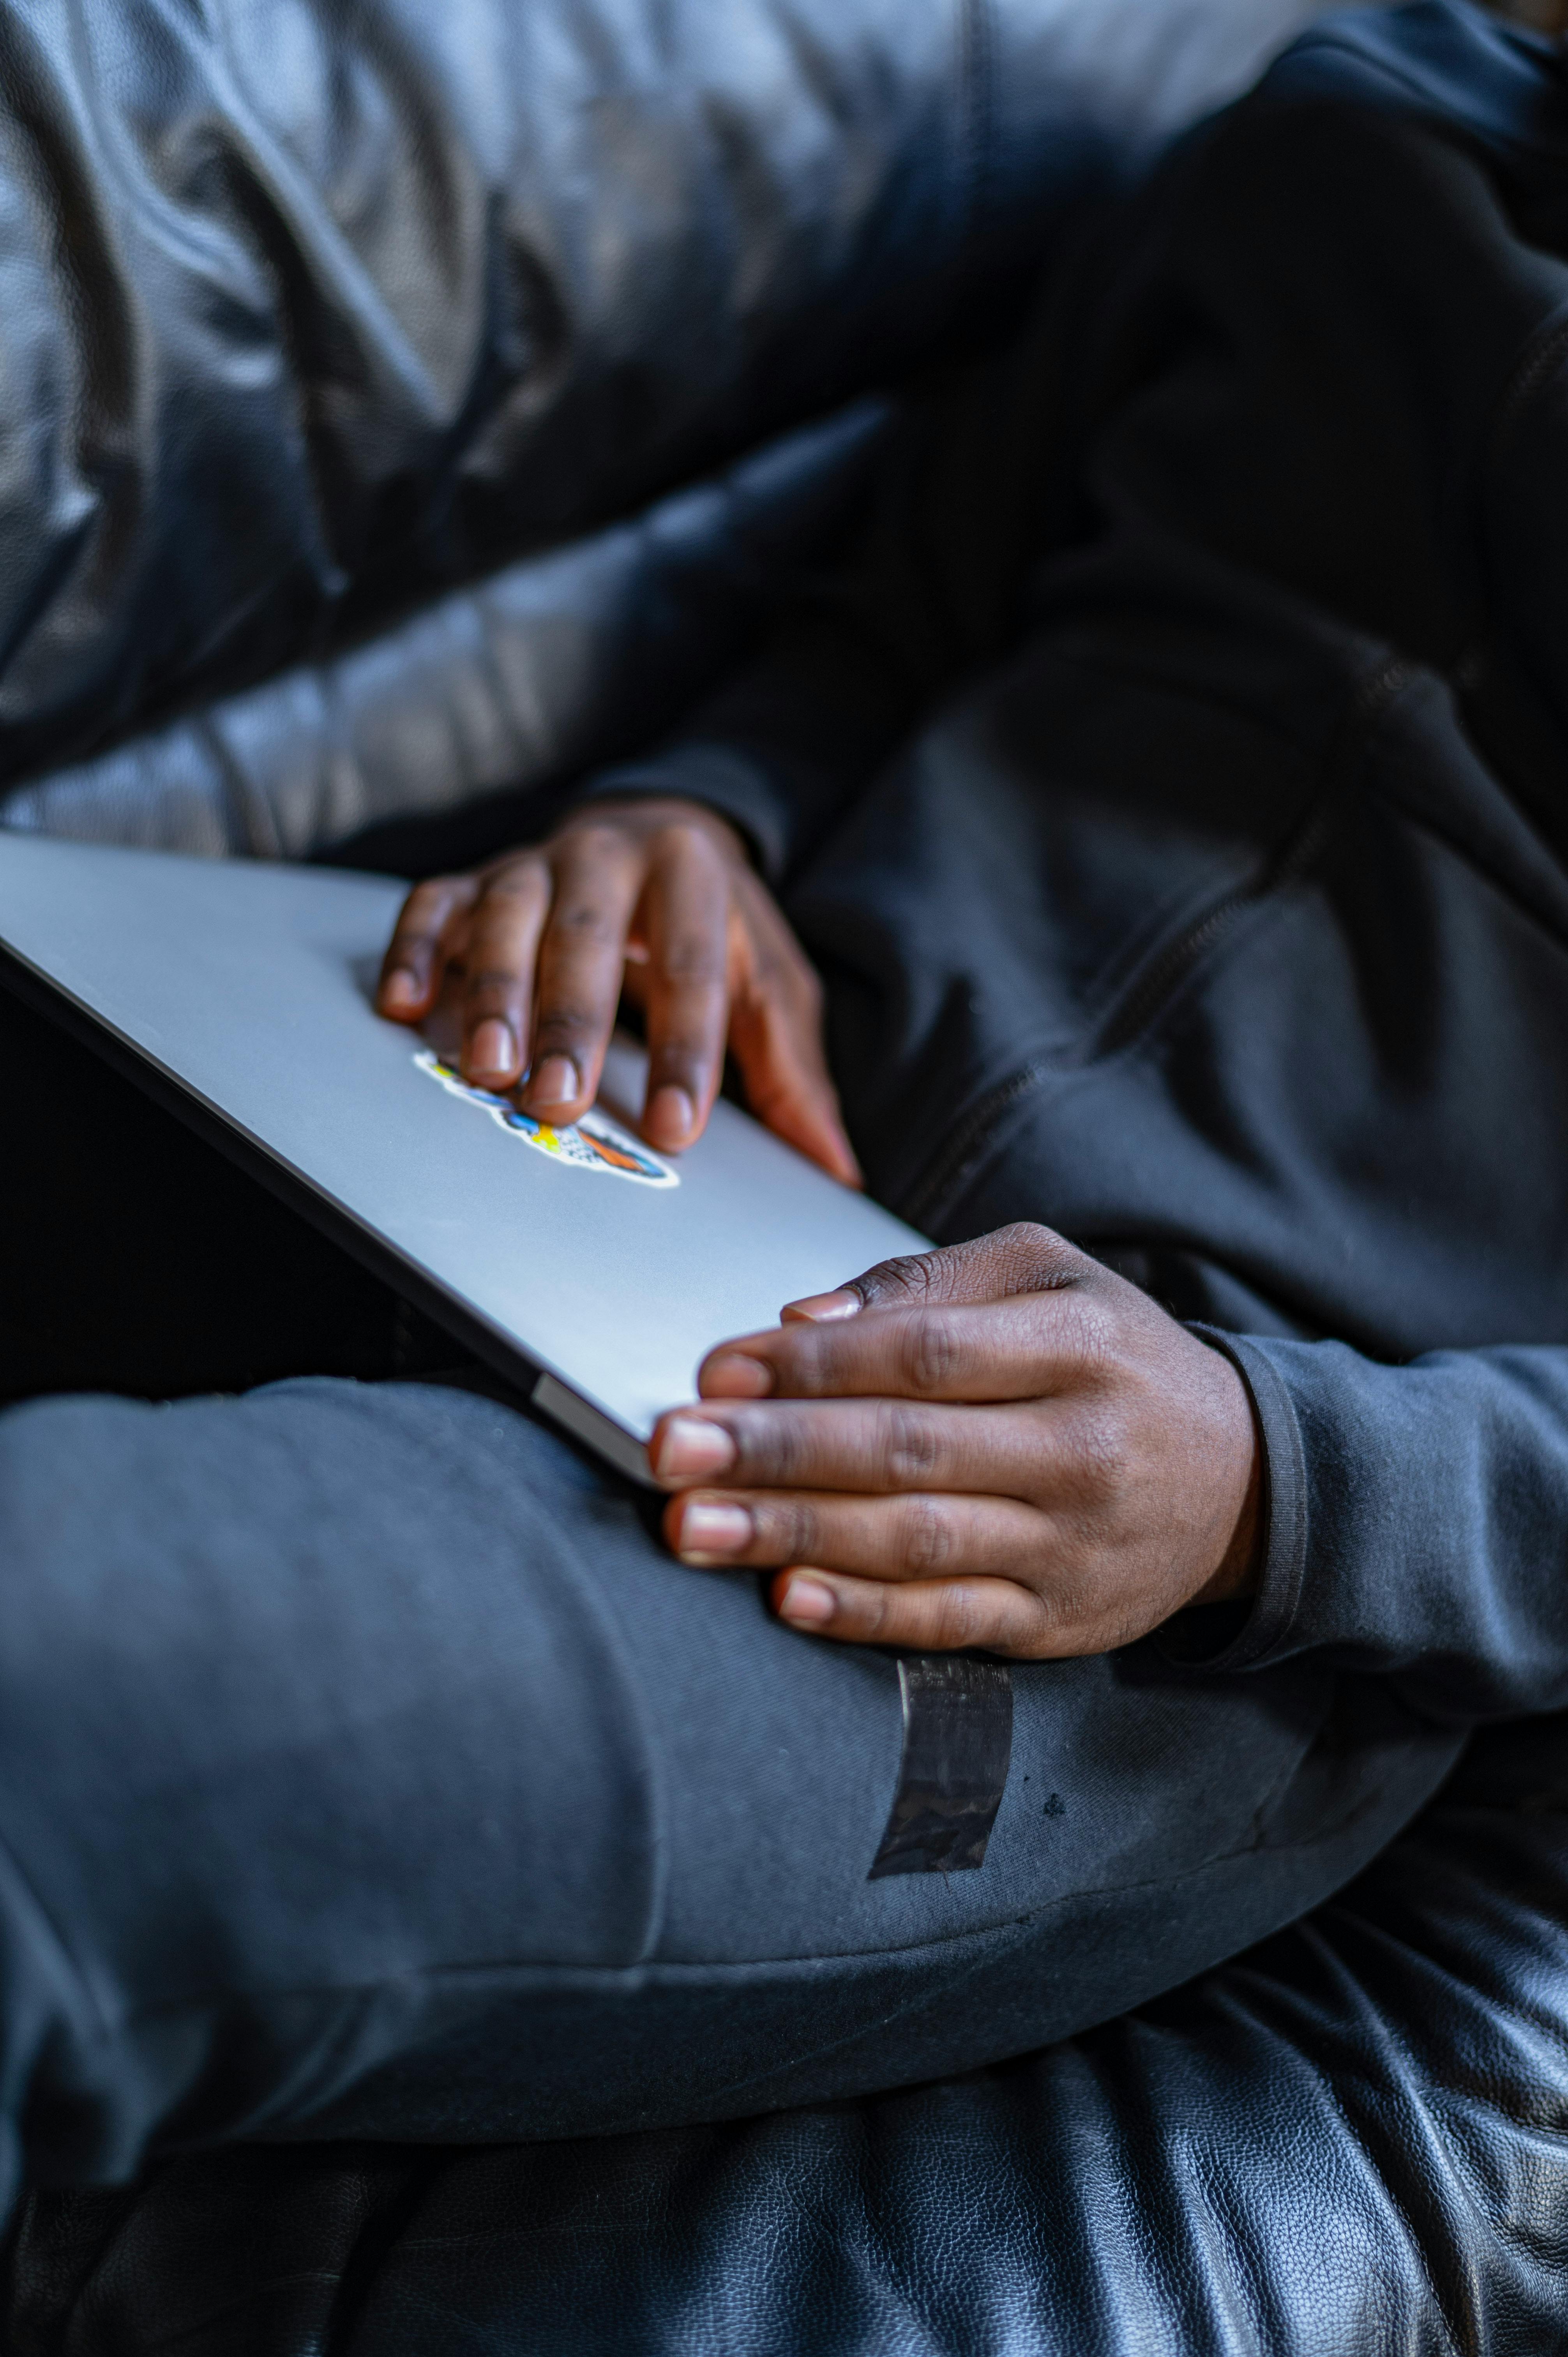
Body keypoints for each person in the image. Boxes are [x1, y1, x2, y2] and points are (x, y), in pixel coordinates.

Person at [1, 0, 1564, 2215]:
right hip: (641, 1137)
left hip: (1134, 1583)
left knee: (48, 1684)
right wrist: (695, 813)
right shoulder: (1354, 129)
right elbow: (903, 602)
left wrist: (1281, 1483)